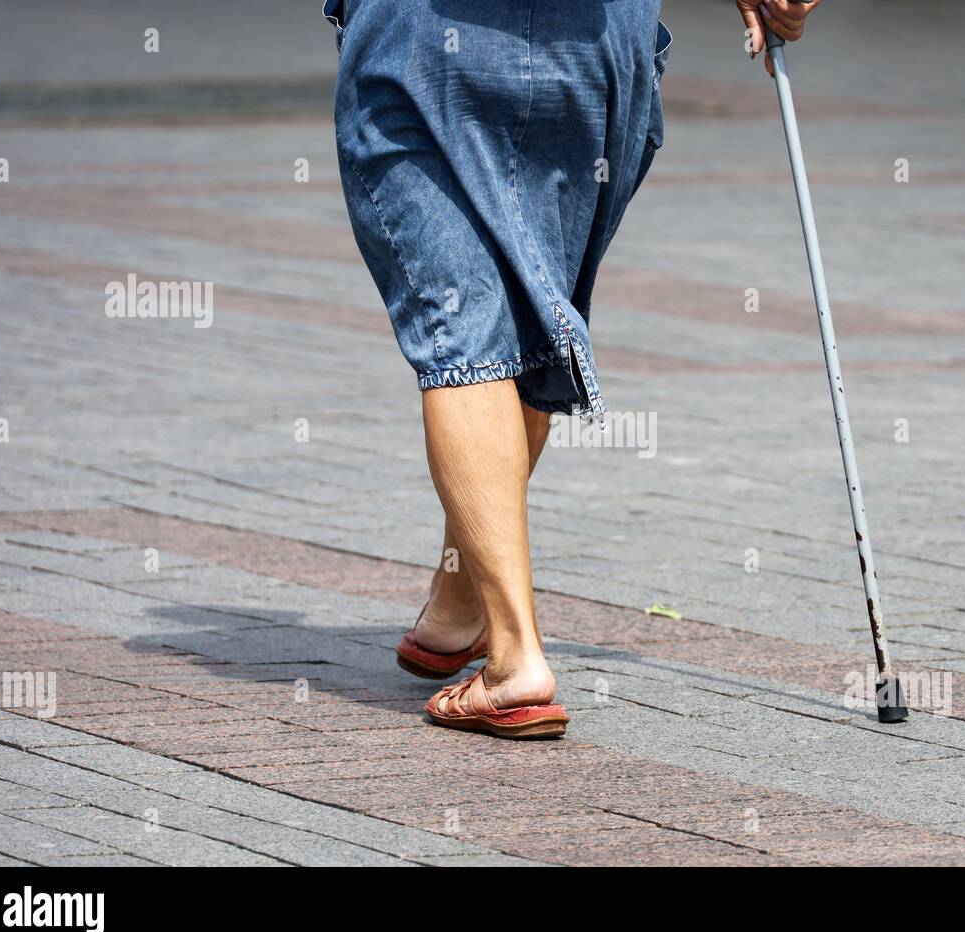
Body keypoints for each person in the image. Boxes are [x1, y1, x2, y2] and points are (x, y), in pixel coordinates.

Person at [324, 0, 820, 738]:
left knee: (465, 331)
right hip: (596, 48)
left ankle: (516, 662)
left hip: (431, 35)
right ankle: (465, 601)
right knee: (527, 310)